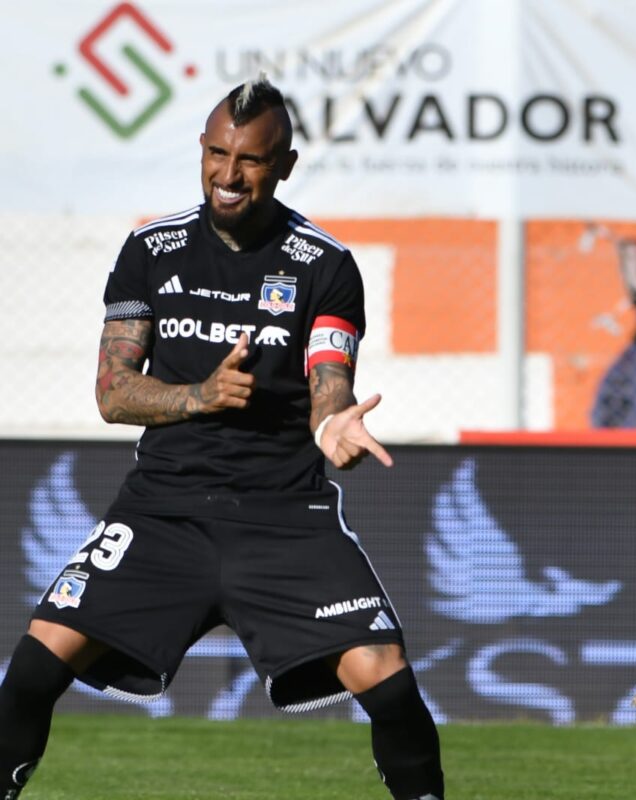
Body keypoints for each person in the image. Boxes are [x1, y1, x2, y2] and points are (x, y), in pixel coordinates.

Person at [0, 77, 444, 799]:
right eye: (216, 154)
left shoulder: (324, 265)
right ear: (202, 151)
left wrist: (333, 423)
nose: (228, 175)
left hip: (282, 515)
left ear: (285, 166)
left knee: (386, 678)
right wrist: (198, 396)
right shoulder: (152, 248)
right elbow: (113, 392)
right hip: (162, 510)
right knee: (31, 669)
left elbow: (330, 379)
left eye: (251, 160)